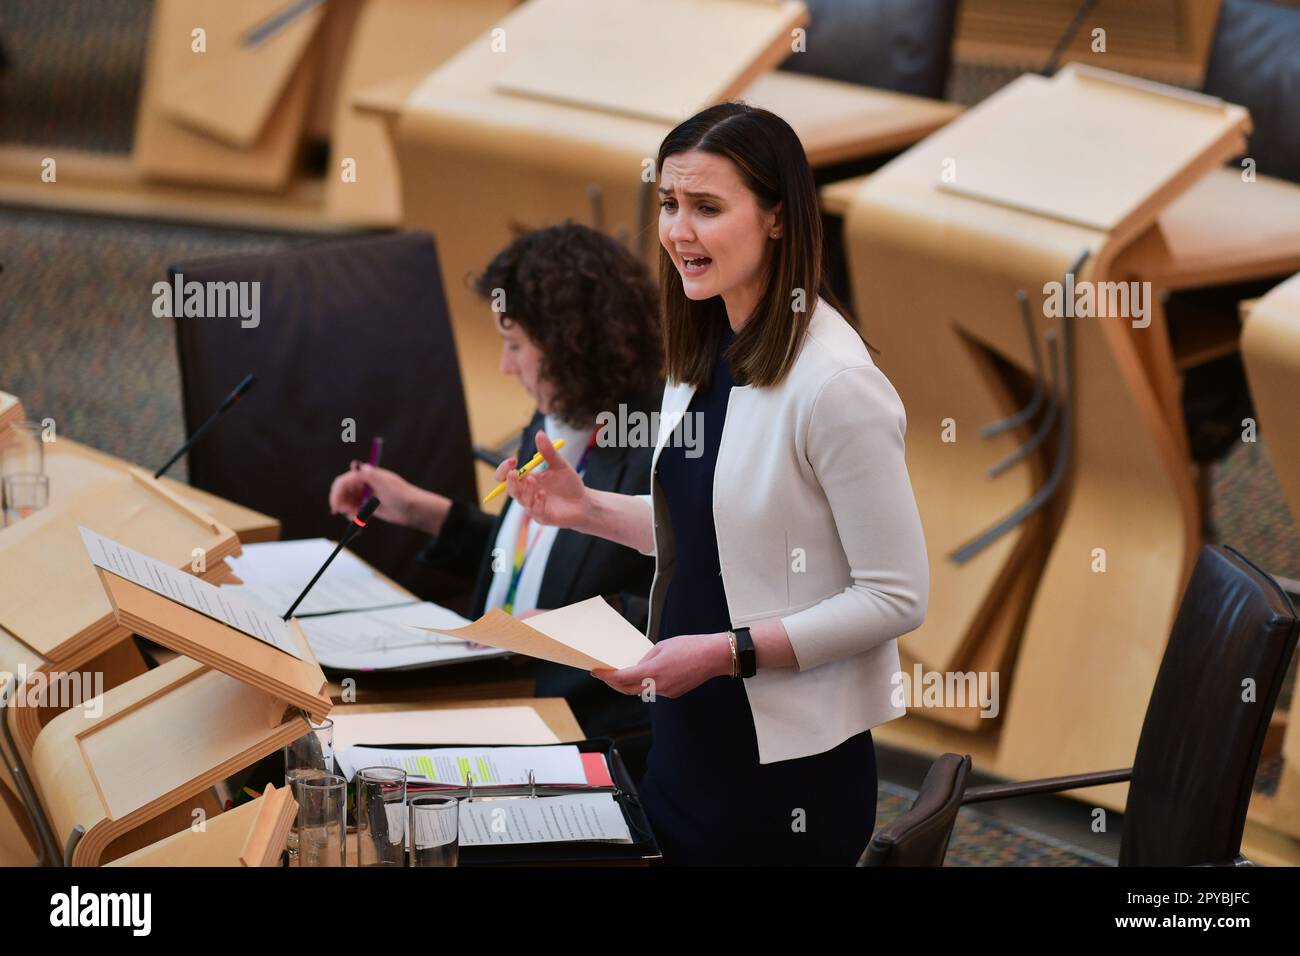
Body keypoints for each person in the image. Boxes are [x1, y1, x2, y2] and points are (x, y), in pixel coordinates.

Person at [493, 103, 930, 865]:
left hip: (782, 772)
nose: (678, 231)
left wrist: (727, 654)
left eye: (706, 208)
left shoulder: (838, 384)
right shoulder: (706, 342)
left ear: (778, 220)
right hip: (687, 739)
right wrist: (585, 507)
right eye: (669, 204)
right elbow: (712, 530)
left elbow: (896, 597)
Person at [328, 222, 663, 747]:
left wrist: (569, 630)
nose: (506, 366)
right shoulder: (554, 415)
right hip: (491, 687)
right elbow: (532, 566)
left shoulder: (659, 451)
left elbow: (687, 615)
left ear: (570, 347)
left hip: (578, 729)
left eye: (514, 346)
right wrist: (422, 511)